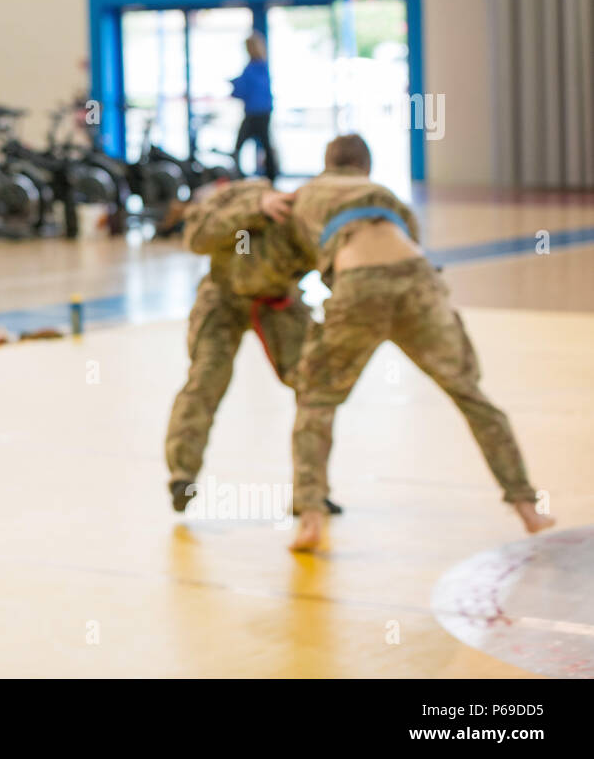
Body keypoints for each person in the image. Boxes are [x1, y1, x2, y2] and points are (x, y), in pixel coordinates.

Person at [285, 134, 554, 551]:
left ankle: (310, 515)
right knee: (471, 395)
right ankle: (528, 508)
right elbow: (411, 234)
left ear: (327, 164)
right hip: (416, 278)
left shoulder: (305, 194)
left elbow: (292, 257)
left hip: (358, 288)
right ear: (365, 167)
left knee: (317, 400)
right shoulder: (380, 192)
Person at [165, 178, 341, 514]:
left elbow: (331, 261)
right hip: (222, 298)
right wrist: (254, 209)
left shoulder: (305, 220)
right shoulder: (240, 195)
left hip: (279, 300)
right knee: (205, 378)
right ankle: (182, 476)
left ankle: (311, 490)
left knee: (312, 385)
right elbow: (197, 238)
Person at [230, 32, 278, 183]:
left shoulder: (252, 69)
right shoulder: (263, 67)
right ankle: (270, 175)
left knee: (239, 146)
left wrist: (234, 85)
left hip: (254, 113)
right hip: (264, 112)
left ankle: (239, 176)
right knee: (265, 143)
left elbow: (243, 90)